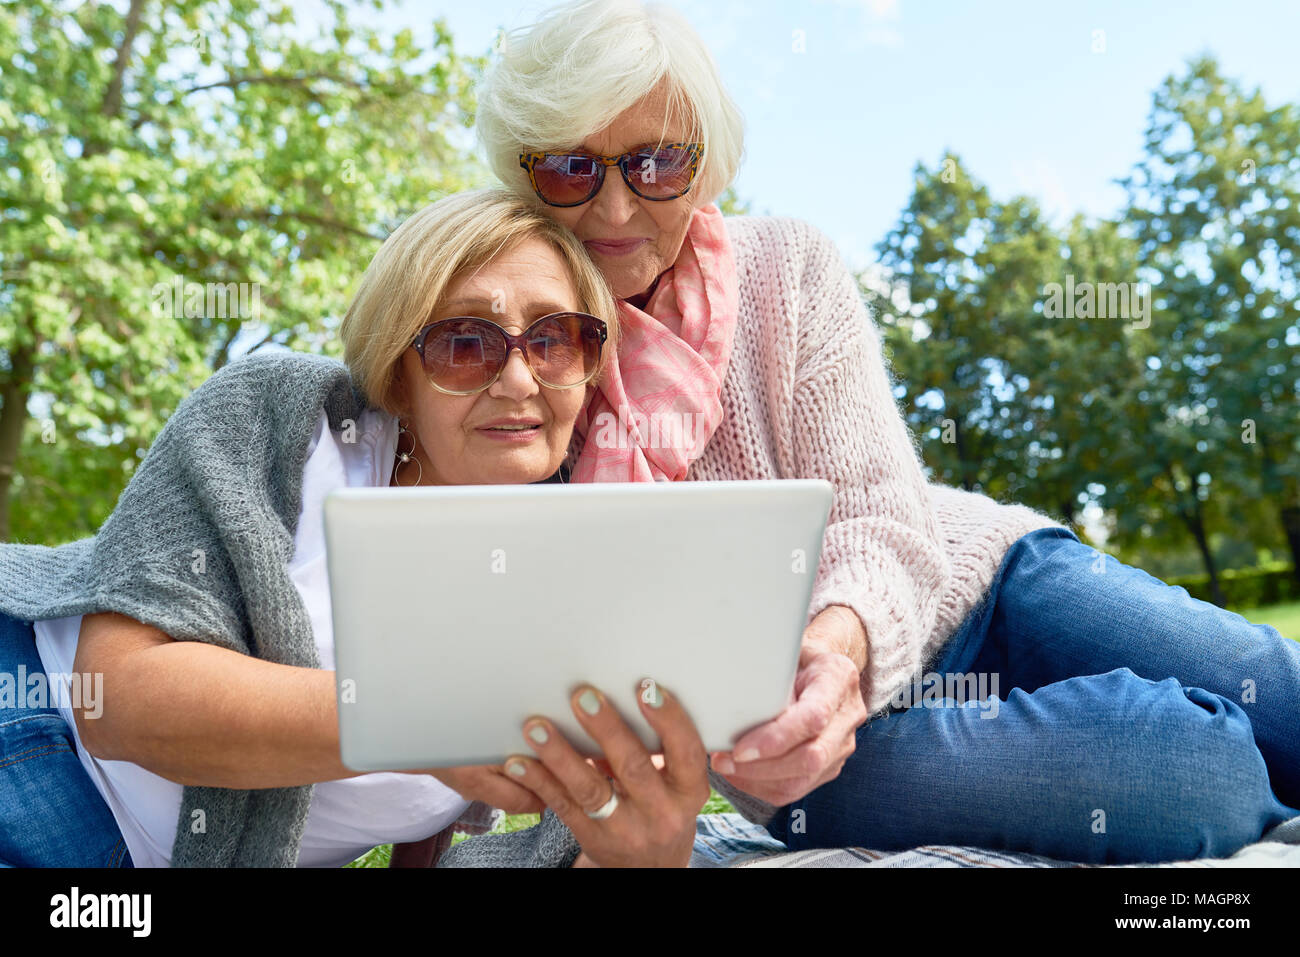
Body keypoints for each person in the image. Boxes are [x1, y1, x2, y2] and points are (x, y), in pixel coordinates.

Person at [444, 0, 1300, 866]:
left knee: (1275, 692)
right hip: (804, 753)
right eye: (570, 166)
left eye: (657, 160)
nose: (618, 204)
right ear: (524, 172)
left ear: (705, 164)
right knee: (1194, 767)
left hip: (984, 583)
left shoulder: (789, 266)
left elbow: (881, 511)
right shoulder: (516, 355)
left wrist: (837, 650)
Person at [0, 188, 708, 868]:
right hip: (29, 714)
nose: (519, 380)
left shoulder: (585, 591)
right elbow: (115, 696)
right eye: (466, 341)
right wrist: (413, 716)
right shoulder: (281, 420)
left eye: (556, 339)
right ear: (400, 372)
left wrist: (639, 854)